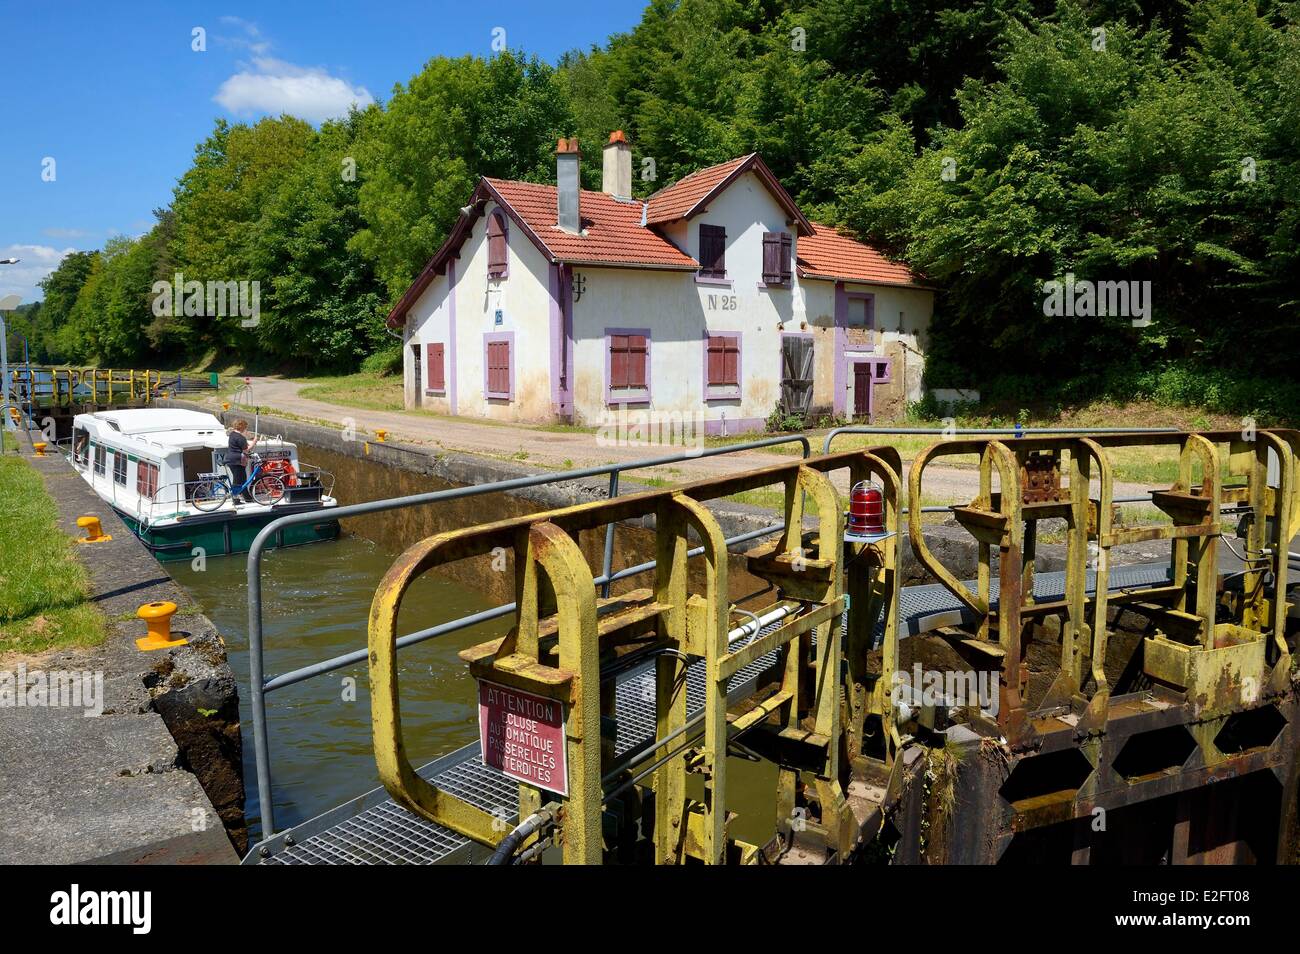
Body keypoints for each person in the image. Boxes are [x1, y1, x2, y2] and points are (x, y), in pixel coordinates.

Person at [226, 419, 259, 503]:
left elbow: (239, 445)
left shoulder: (232, 434)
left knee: (243, 479)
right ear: (241, 427)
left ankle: (247, 498)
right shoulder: (240, 437)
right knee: (237, 480)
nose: (246, 428)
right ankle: (235, 499)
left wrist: (247, 443)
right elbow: (246, 450)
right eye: (245, 426)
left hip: (231, 459)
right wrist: (254, 442)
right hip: (237, 461)